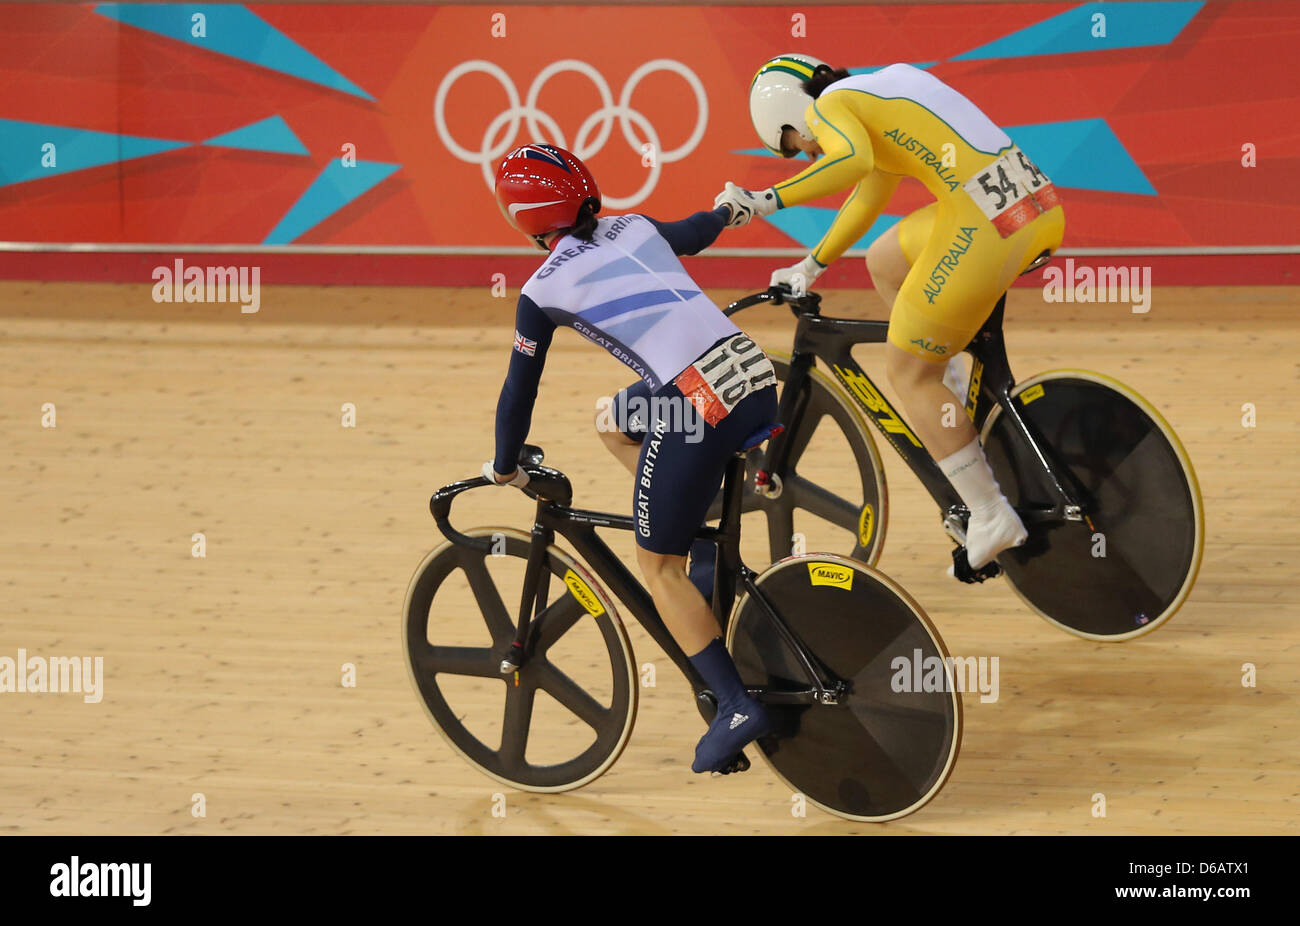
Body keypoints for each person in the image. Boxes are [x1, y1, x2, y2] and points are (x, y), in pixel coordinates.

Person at [484, 143, 779, 773]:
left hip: (697, 403)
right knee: (613, 419)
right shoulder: (635, 225)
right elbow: (696, 232)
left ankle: (733, 704)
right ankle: (701, 542)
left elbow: (519, 391)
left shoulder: (541, 290)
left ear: (524, 218)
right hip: (752, 373)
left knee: (656, 565)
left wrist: (505, 464)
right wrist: (729, 209)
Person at [719, 55, 1066, 571]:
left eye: (794, 143)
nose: (807, 151)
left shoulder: (833, 105)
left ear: (794, 112)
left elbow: (850, 161)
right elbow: (868, 189)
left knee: (906, 374)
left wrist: (766, 200)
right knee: (885, 260)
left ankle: (990, 513)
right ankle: (945, 384)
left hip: (986, 227)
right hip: (1033, 206)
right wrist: (811, 265)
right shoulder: (878, 87)